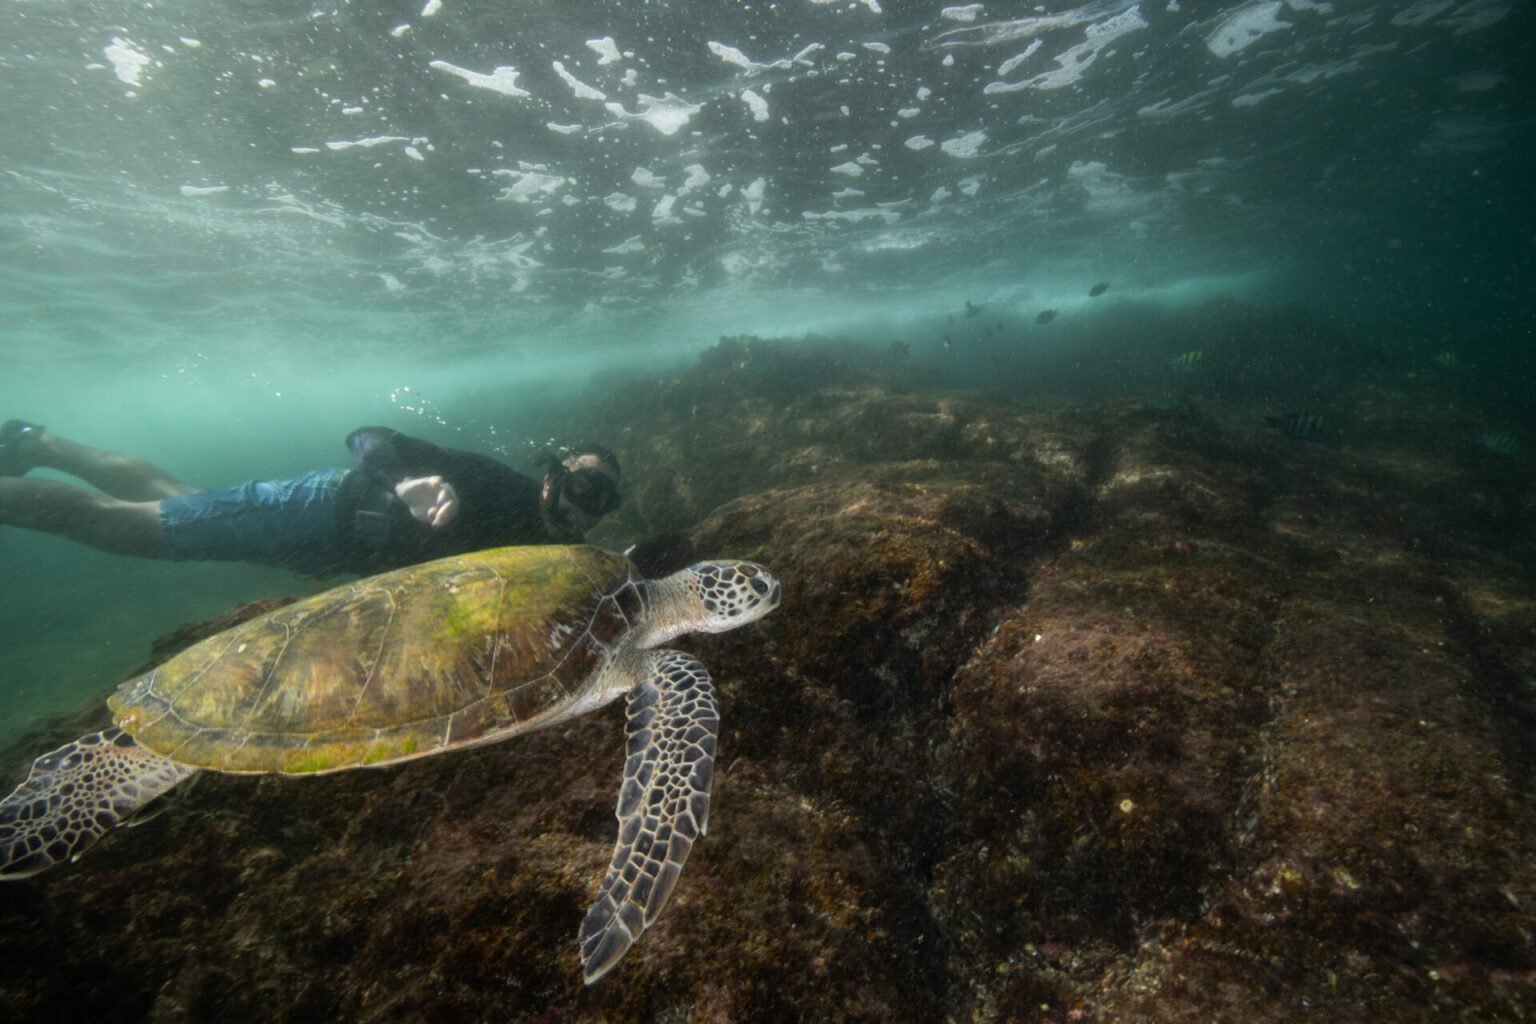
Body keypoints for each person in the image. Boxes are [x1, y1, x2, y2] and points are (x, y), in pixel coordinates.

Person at [0, 419, 621, 577]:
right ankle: (35, 455)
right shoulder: (488, 480)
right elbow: (366, 436)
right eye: (584, 487)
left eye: (603, 504)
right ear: (555, 475)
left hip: (325, 551)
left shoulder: (548, 541)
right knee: (129, 529)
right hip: (322, 508)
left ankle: (41, 442)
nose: (586, 510)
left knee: (182, 504)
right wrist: (403, 482)